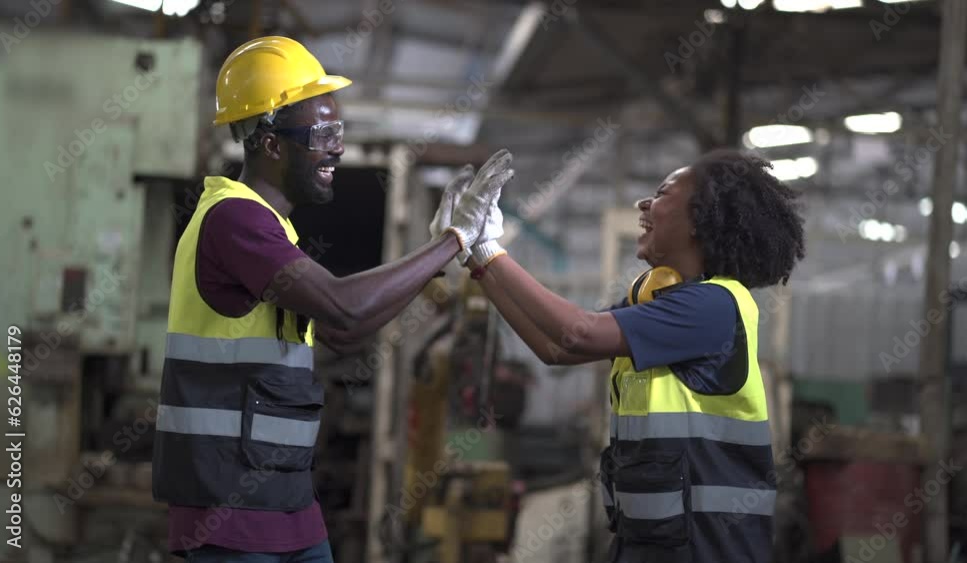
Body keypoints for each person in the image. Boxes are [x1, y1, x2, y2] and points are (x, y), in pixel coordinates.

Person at [151, 36, 513, 563]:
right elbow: (345, 306)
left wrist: (437, 250)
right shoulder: (233, 218)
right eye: (323, 134)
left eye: (338, 133)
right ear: (271, 144)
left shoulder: (274, 229)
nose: (337, 148)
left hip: (287, 501)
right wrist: (453, 241)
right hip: (228, 507)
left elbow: (344, 330)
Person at [457, 149, 806, 562]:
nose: (644, 204)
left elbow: (577, 334)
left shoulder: (713, 306)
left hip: (708, 549)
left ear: (699, 219)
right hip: (651, 542)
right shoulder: (663, 300)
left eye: (662, 194)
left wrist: (491, 249)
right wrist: (477, 257)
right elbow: (555, 349)